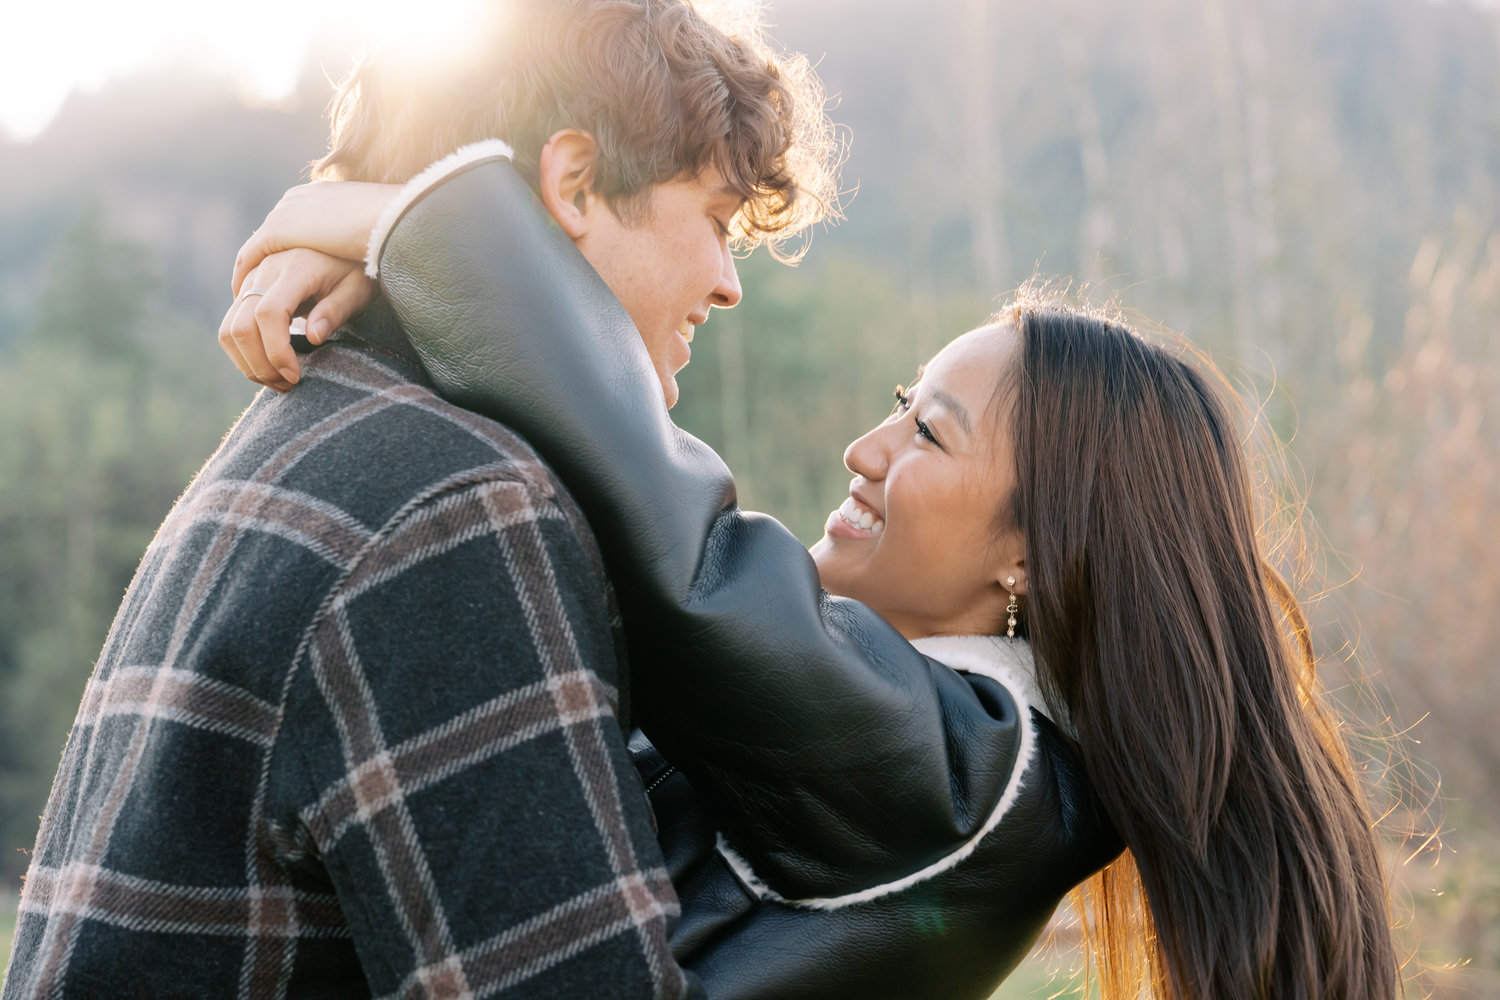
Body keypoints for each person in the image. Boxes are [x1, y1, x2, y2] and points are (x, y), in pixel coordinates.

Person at [221, 150, 1400, 998]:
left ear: (1034, 555)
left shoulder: (965, 773)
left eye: (928, 432)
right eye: (897, 404)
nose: (865, 449)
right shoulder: (964, 751)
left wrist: (396, 226)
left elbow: (681, 558)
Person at [0, 3, 839, 998]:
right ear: (574, 183)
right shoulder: (457, 511)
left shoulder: (335, 440)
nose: (727, 283)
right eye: (715, 220)